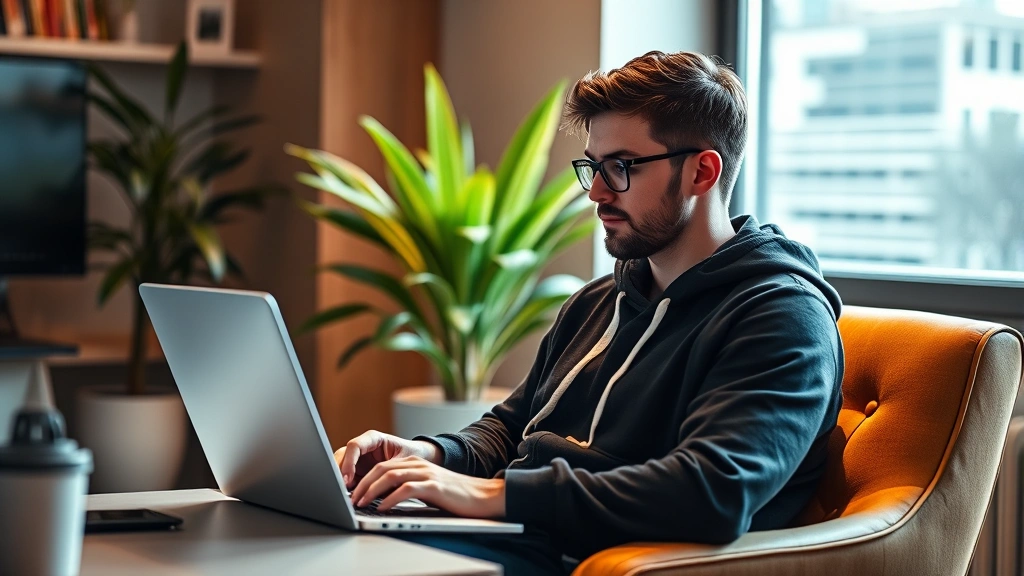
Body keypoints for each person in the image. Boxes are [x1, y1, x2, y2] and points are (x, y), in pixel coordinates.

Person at [335, 50, 844, 576]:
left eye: (621, 167)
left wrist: (495, 495)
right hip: (512, 537)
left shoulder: (781, 316)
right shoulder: (597, 301)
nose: (597, 192)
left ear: (702, 171)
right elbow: (510, 428)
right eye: (593, 168)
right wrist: (426, 457)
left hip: (582, 557)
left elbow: (712, 490)